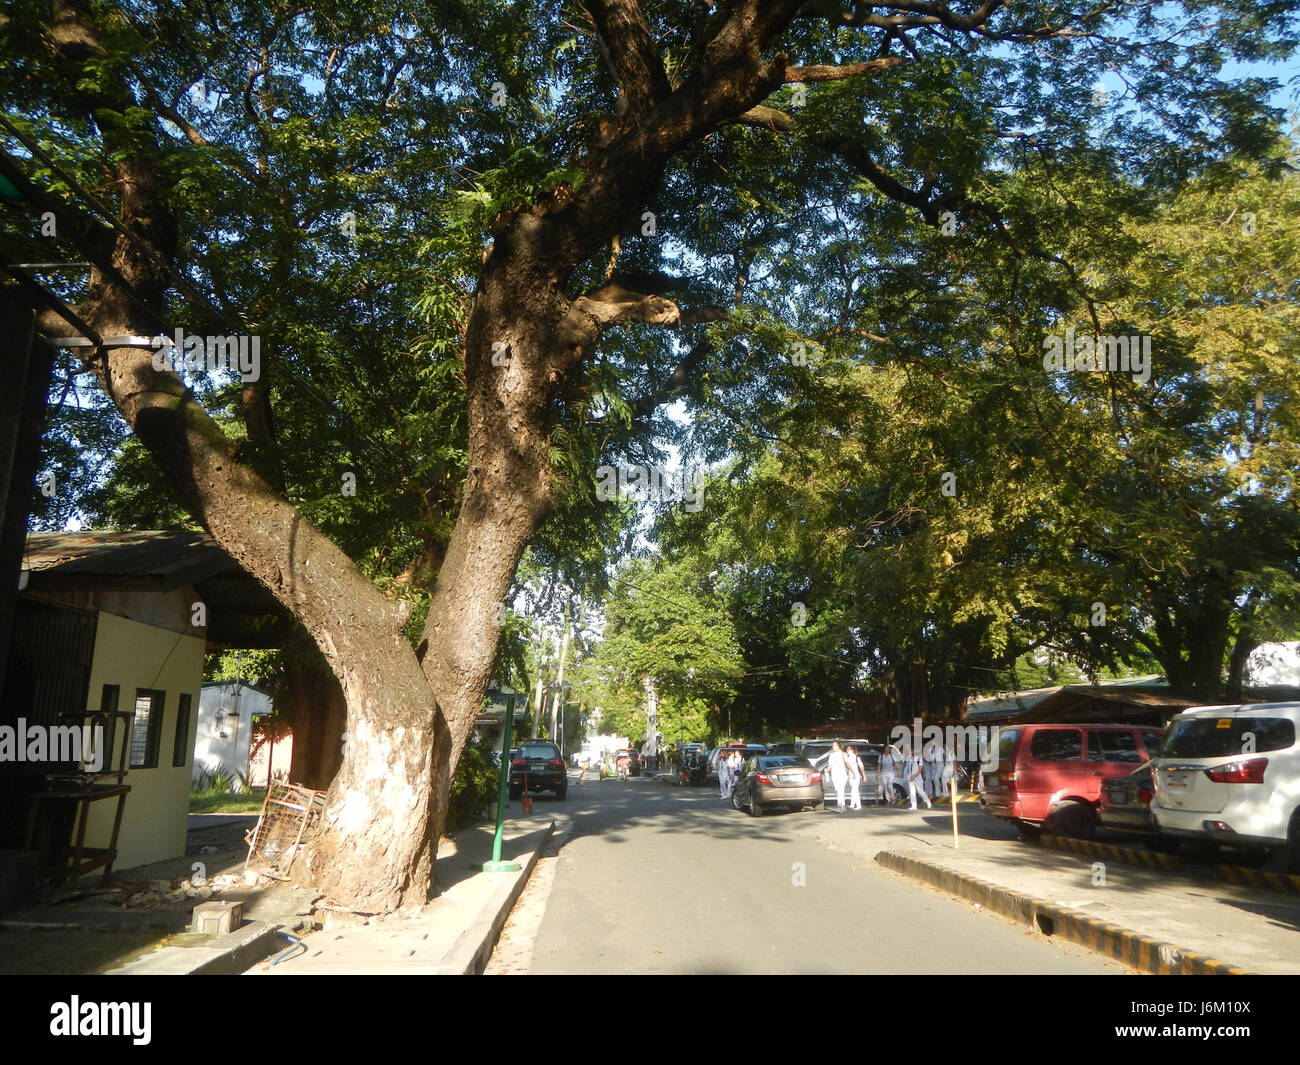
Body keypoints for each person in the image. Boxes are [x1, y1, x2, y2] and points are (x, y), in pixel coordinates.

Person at [825, 740, 850, 812]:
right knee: (838, 790)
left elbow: (848, 764)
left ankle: (839, 806)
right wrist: (827, 770)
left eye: (835, 745)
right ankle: (843, 806)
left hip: (842, 774)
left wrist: (852, 772)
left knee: (840, 790)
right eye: (833, 746)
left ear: (839, 746)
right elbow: (830, 766)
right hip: (834, 775)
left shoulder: (843, 754)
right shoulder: (832, 755)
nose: (834, 747)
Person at [845, 745, 866, 811]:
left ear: (852, 750)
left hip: (856, 776)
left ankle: (858, 805)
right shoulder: (848, 757)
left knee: (855, 790)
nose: (847, 751)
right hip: (851, 776)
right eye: (847, 749)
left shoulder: (856, 758)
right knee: (853, 790)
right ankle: (852, 804)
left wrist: (864, 775)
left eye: (849, 749)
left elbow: (861, 767)